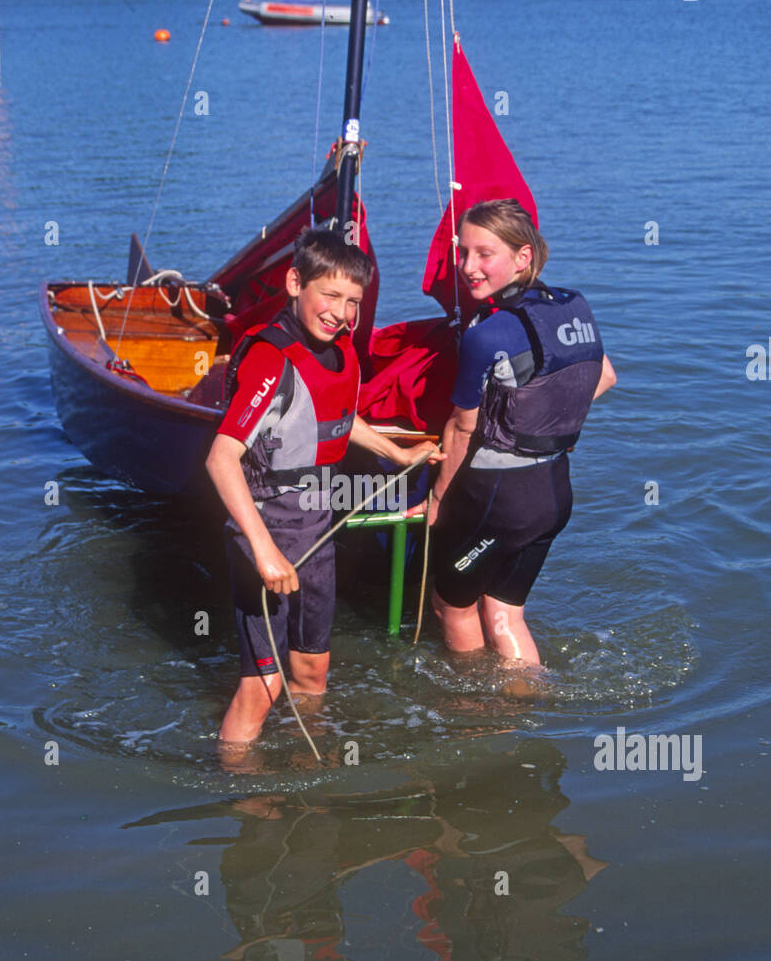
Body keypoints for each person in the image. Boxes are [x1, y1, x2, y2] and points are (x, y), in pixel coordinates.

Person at [206, 227, 441, 746]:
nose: (341, 312)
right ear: (295, 283)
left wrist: (398, 453)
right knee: (262, 686)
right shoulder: (272, 358)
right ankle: (243, 802)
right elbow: (221, 458)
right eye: (329, 295)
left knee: (313, 670)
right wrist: (264, 552)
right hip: (265, 535)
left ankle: (307, 761)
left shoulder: (343, 352)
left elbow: (338, 417)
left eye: (352, 301)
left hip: (317, 534)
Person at [414, 198, 616, 667]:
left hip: (499, 499)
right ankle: (526, 710)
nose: (468, 267)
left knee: (453, 606)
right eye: (463, 253)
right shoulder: (572, 306)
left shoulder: (489, 333)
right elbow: (604, 376)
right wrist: (538, 418)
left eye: (484, 254)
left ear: (523, 257)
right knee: (504, 612)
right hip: (555, 494)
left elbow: (463, 427)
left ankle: (474, 720)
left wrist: (439, 502)